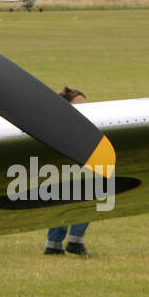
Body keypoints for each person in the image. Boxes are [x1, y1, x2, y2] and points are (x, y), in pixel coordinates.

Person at [45, 86, 92, 256]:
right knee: (64, 202)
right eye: (78, 106)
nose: (83, 110)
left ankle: (75, 242)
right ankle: (53, 245)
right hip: (63, 170)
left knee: (87, 200)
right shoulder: (57, 124)